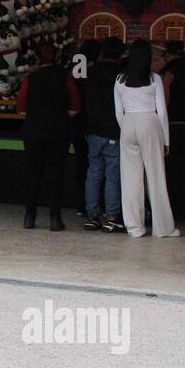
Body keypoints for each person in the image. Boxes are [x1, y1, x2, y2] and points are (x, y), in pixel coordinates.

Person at [114, 38, 180, 238]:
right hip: (149, 121)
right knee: (156, 176)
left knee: (130, 178)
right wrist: (166, 139)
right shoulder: (154, 79)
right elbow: (162, 112)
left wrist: (126, 126)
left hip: (127, 123)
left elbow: (118, 112)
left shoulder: (119, 79)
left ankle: (134, 228)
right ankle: (163, 228)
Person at [15, 41, 80, 231]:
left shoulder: (30, 79)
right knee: (55, 175)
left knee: (33, 174)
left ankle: (29, 217)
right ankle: (55, 218)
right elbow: (75, 107)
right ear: (57, 57)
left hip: (33, 132)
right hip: (58, 132)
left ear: (37, 57)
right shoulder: (65, 78)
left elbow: (20, 109)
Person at [83, 36, 126, 232]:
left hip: (92, 131)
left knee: (93, 173)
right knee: (112, 175)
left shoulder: (91, 72)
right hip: (112, 131)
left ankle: (92, 215)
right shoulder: (121, 75)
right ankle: (111, 216)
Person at [161, 40, 185, 223]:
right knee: (184, 168)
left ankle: (169, 209)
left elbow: (162, 102)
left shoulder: (166, 72)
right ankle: (182, 210)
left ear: (168, 54)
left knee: (169, 169)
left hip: (170, 126)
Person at [69, 39, 97, 215]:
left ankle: (82, 205)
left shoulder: (75, 71)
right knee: (95, 167)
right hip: (93, 125)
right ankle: (93, 206)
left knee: (82, 165)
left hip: (76, 125)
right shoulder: (96, 73)